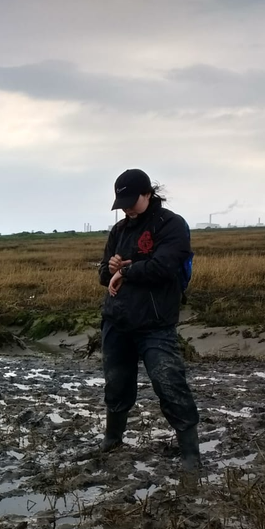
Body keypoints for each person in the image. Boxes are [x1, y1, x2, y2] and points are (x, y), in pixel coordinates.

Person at [97, 169, 200, 474]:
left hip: (156, 323)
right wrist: (111, 267)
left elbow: (164, 267)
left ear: (148, 194)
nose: (127, 208)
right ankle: (112, 439)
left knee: (169, 383)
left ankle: (191, 454)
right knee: (116, 385)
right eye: (122, 202)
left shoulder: (171, 225)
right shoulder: (119, 231)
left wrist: (126, 271)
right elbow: (104, 274)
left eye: (132, 201)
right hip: (117, 320)